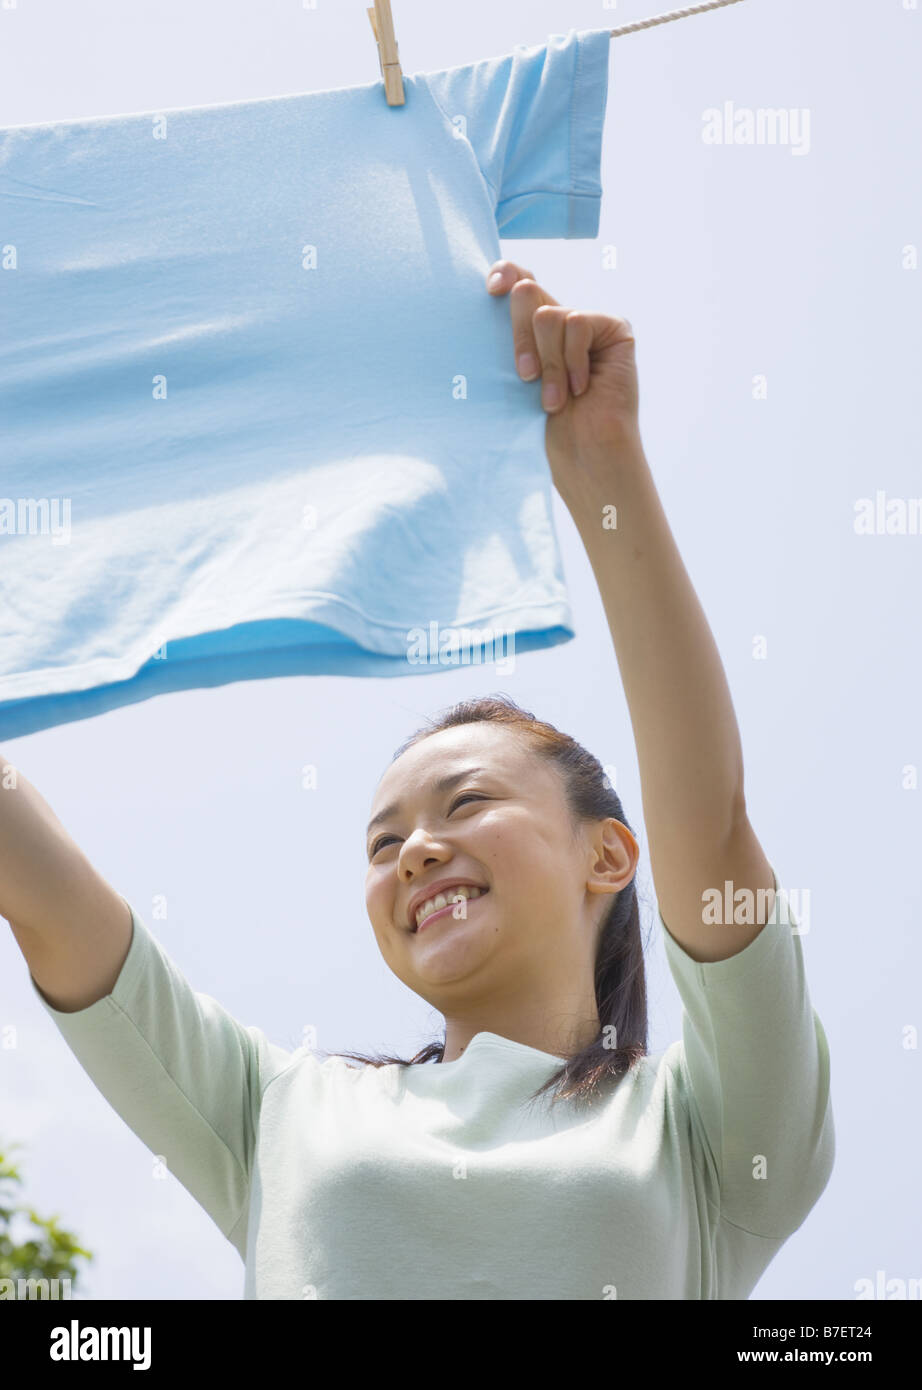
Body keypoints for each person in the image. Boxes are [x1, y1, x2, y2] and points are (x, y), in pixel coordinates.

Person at [2, 259, 834, 1299]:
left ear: (610, 852)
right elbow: (42, 891)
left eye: (466, 803)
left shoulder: (712, 1135)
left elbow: (710, 827)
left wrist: (604, 464)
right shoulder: (277, 1110)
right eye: (383, 843)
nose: (414, 853)